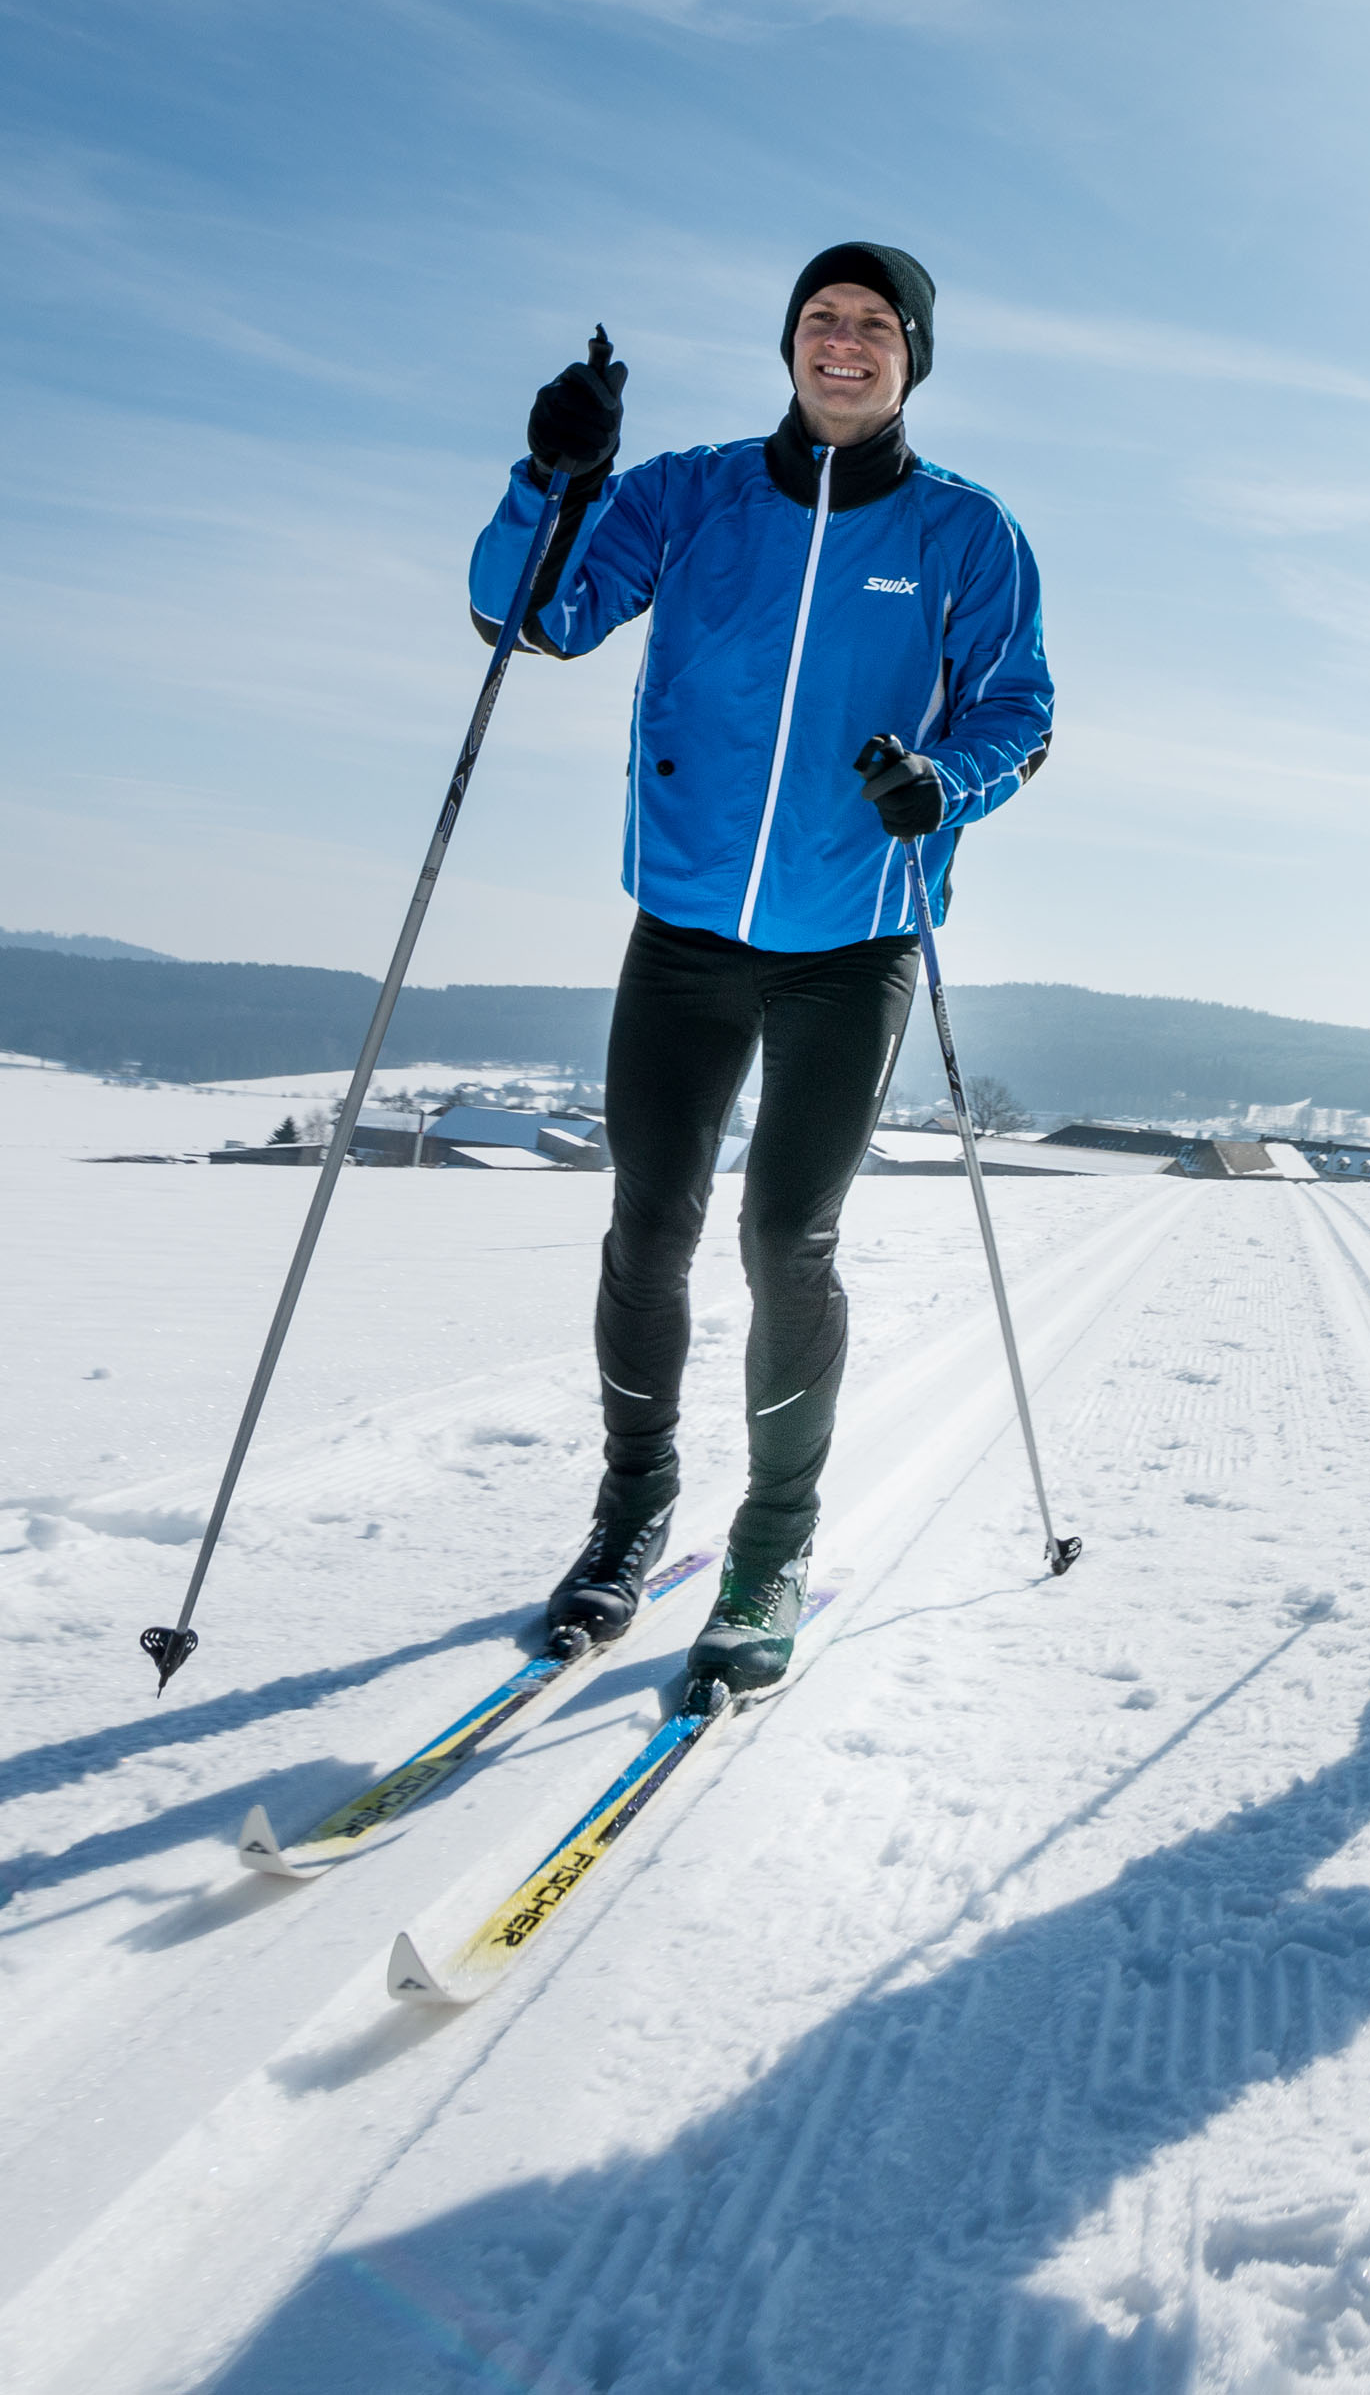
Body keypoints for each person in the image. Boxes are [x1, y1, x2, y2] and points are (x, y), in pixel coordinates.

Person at [467, 243, 1051, 1708]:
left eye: (872, 327)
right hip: (683, 934)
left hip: (852, 943)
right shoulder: (691, 490)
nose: (842, 345)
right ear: (787, 344)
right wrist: (554, 475)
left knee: (787, 1238)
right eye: (819, 322)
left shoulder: (967, 532)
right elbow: (533, 615)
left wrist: (945, 778)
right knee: (646, 1223)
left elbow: (1019, 711)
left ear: (913, 355)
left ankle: (771, 1544)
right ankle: (630, 1510)